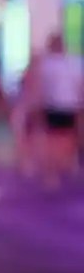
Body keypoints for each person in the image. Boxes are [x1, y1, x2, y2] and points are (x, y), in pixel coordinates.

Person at [36, 32, 83, 189]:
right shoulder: (68, 63)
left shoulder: (50, 64)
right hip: (63, 106)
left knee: (58, 140)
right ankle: (58, 170)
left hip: (60, 106)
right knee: (64, 140)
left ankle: (56, 172)